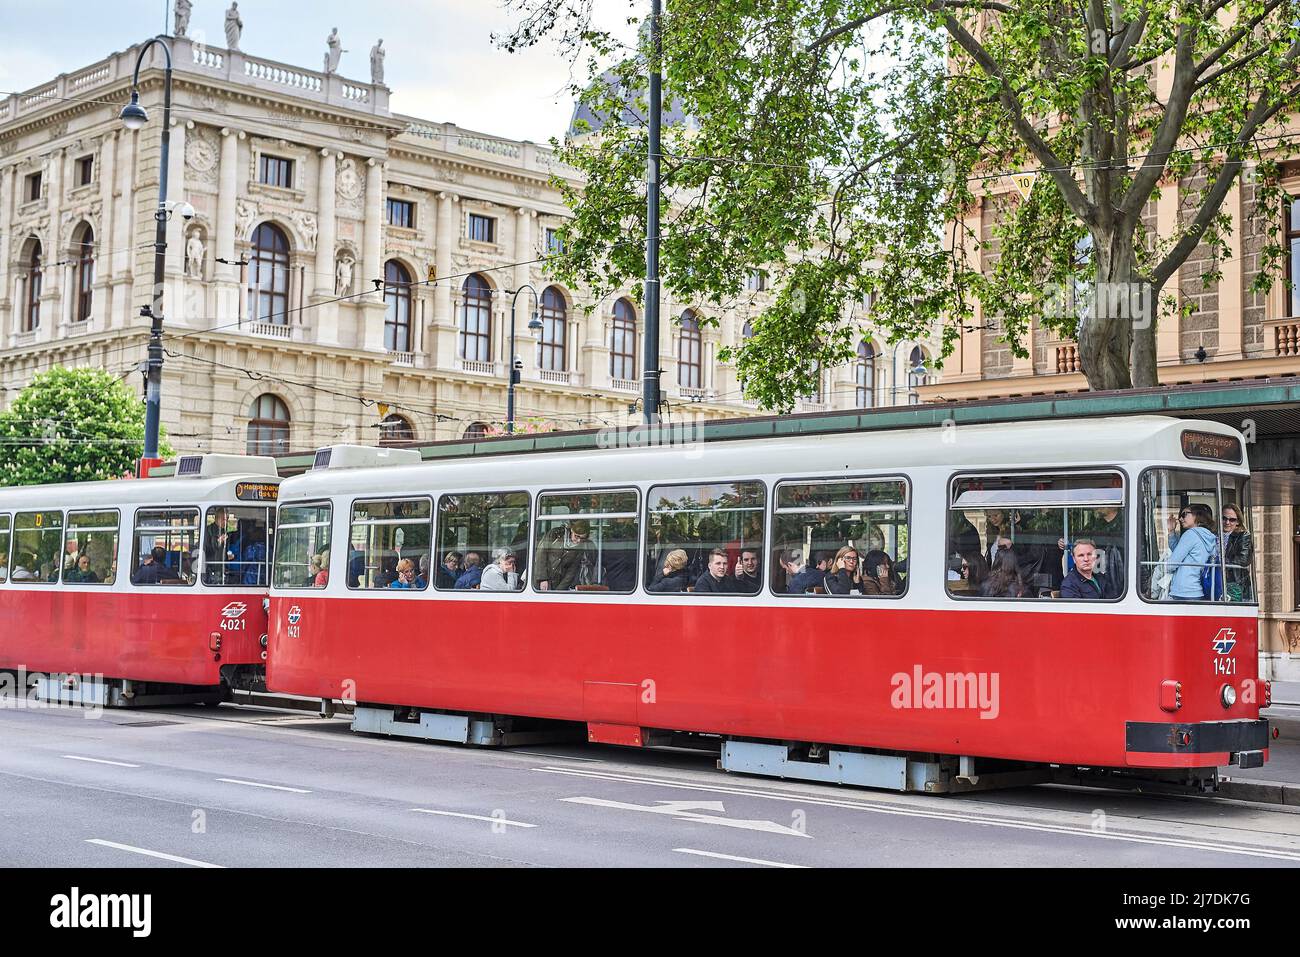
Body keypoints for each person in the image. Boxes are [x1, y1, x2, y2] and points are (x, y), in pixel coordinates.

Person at [1166, 504, 1217, 600]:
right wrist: (1171, 531)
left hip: (1183, 590)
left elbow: (1171, 565)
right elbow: (1180, 551)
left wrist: (1165, 567)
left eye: (1184, 514)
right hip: (1197, 591)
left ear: (1198, 515)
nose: (1180, 519)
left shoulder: (1190, 534)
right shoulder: (1209, 536)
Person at [535, 519, 595, 590]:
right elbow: (541, 553)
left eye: (582, 538)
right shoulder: (556, 534)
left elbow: (571, 572)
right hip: (539, 577)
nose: (578, 541)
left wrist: (559, 591)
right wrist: (542, 579)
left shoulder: (580, 549)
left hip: (558, 581)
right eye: (576, 536)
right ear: (571, 530)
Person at [1221, 502, 1254, 601]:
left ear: (1238, 521)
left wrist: (1222, 560)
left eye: (1232, 520)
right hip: (1218, 580)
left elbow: (1244, 559)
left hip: (1236, 583)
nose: (1227, 522)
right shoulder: (1215, 535)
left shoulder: (1243, 535)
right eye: (1224, 518)